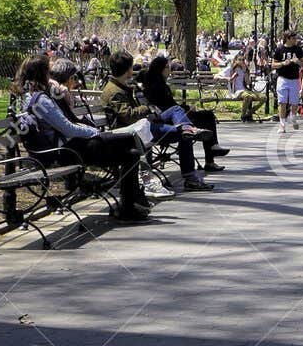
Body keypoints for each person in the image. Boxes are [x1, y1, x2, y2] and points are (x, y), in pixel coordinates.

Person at [14, 54, 150, 221]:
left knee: (131, 150)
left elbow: (67, 124)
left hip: (68, 147)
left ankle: (129, 206)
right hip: (67, 151)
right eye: (48, 71)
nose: (51, 75)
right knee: (129, 142)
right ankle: (131, 204)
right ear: (41, 73)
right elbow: (68, 128)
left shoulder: (31, 96)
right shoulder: (41, 100)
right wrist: (95, 132)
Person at [102, 51, 212, 191]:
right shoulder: (114, 91)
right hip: (135, 131)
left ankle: (188, 128)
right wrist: (145, 108)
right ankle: (190, 177)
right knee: (184, 134)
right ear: (127, 69)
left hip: (145, 124)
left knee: (176, 110)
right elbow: (128, 116)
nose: (133, 69)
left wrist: (149, 109)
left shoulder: (122, 86)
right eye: (131, 66)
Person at [140, 54, 228, 175]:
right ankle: (210, 156)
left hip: (173, 116)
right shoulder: (157, 87)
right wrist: (186, 109)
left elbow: (170, 105)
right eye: (167, 67)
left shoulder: (159, 84)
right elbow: (168, 107)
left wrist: (186, 108)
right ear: (160, 69)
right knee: (207, 117)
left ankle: (212, 150)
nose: (170, 70)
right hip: (168, 120)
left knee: (207, 115)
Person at [272, 30, 303, 133]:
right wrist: (282, 63)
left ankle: (293, 117)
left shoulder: (298, 49)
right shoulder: (279, 49)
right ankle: (282, 125)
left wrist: (298, 62)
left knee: (294, 102)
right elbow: (273, 65)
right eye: (294, 38)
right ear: (288, 38)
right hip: (283, 78)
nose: (295, 40)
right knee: (282, 102)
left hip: (294, 79)